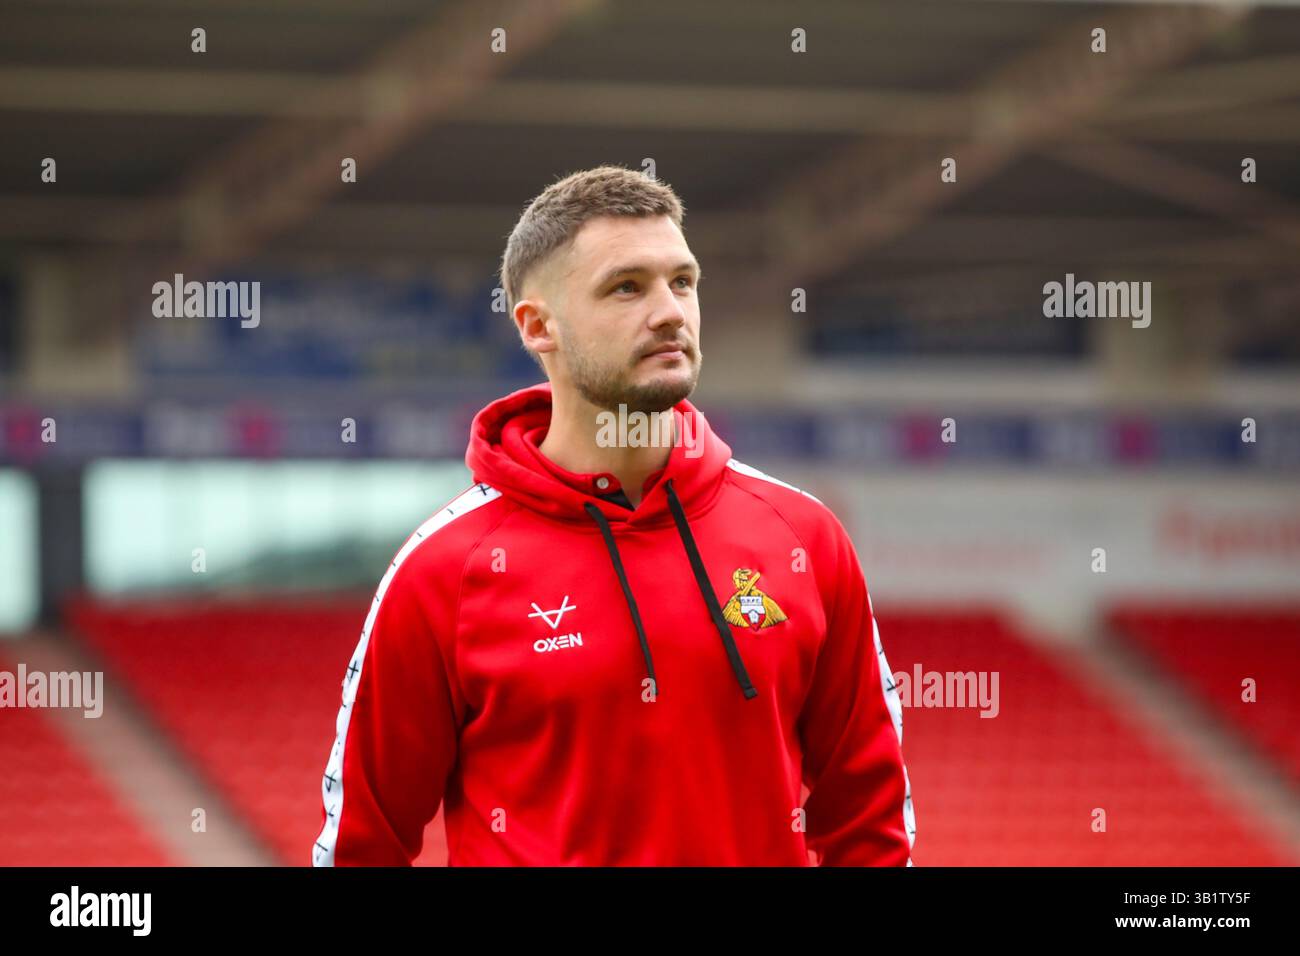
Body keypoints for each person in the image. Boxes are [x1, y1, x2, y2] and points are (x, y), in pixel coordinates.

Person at [313, 165, 915, 866]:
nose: (670, 312)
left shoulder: (802, 538)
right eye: (627, 287)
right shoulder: (444, 570)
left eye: (682, 282)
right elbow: (362, 844)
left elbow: (868, 819)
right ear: (540, 327)